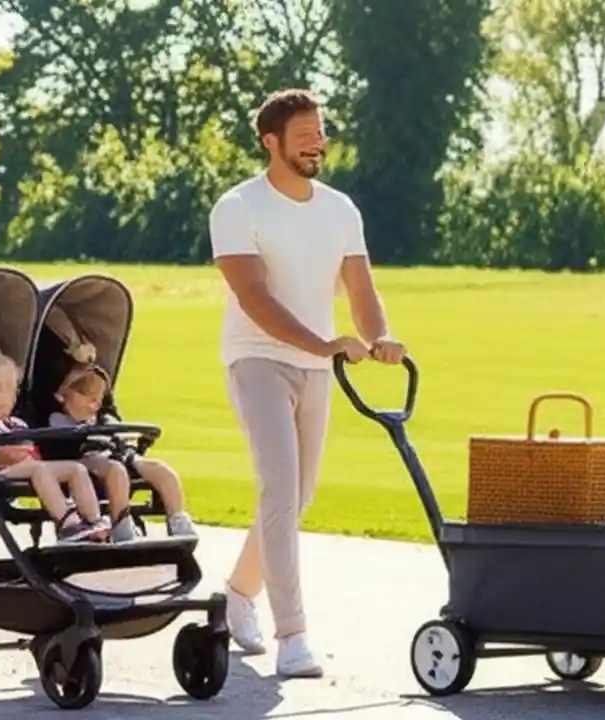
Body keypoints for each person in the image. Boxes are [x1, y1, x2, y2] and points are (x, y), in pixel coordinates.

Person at [207, 88, 407, 678]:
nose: (317, 143)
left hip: (317, 368)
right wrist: (323, 343)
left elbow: (361, 289)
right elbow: (254, 297)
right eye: (304, 135)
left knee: (298, 496)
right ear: (270, 141)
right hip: (257, 359)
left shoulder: (340, 210)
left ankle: (237, 594)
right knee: (279, 488)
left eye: (320, 132)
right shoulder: (238, 207)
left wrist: (380, 336)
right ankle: (292, 635)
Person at [47, 349, 198, 542]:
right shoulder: (58, 420)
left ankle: (179, 522)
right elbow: (60, 446)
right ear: (62, 396)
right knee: (116, 470)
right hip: (84, 458)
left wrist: (111, 426)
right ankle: (121, 524)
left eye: (98, 396)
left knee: (162, 470)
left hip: (117, 453)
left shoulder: (103, 418)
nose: (94, 401)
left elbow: (119, 434)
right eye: (85, 393)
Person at [0, 352, 111, 544]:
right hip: (1, 469)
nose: (6, 398)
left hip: (29, 466)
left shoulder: (15, 423)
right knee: (40, 470)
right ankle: (67, 523)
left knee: (76, 468)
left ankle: (93, 520)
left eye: (12, 390)